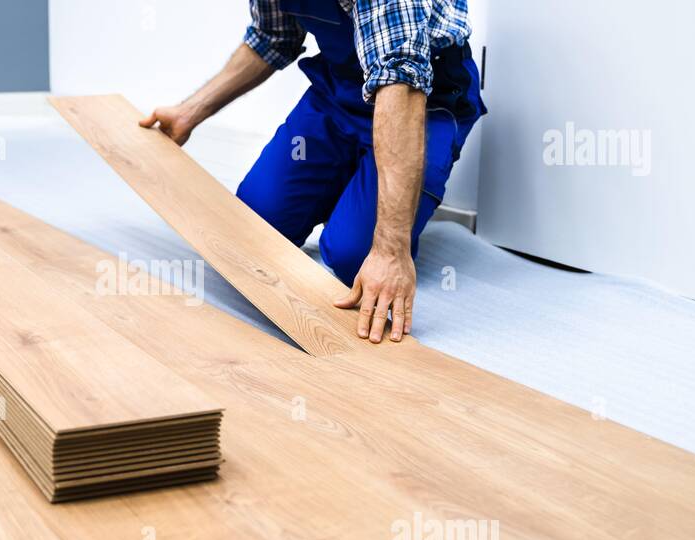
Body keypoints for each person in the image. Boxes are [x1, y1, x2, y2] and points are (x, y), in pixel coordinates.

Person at [140, 0, 486, 343]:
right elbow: (272, 38)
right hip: (341, 94)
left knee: (354, 257)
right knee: (258, 227)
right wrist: (189, 112)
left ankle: (367, 203)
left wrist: (391, 250)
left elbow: (401, 82)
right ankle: (354, 188)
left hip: (423, 100)